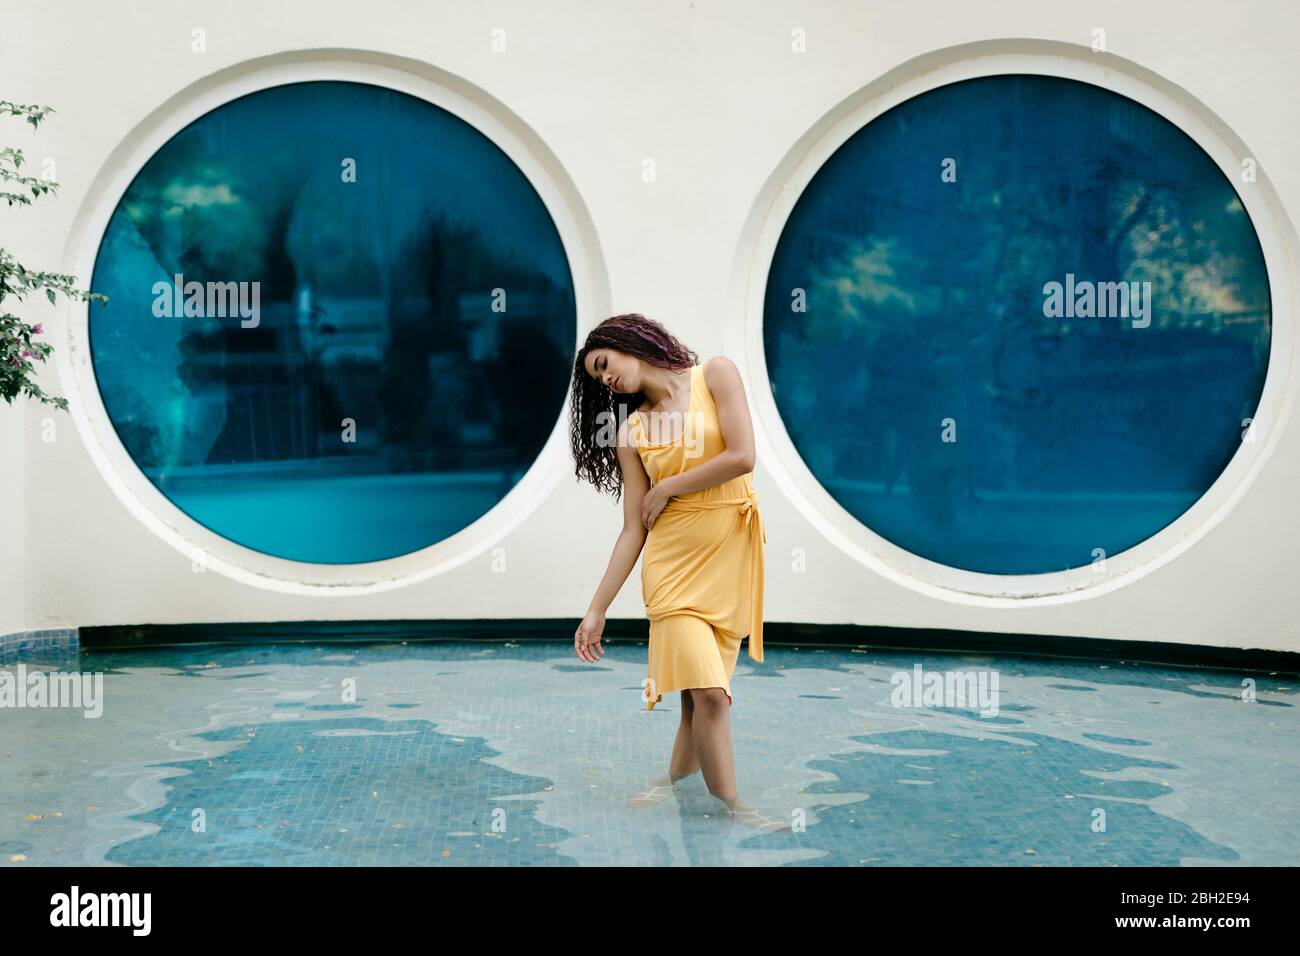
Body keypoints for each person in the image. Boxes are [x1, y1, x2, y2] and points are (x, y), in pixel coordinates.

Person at [569, 313, 786, 832]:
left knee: (696, 700)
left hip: (730, 561)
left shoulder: (717, 375)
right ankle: (735, 809)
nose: (606, 380)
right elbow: (632, 531)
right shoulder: (632, 430)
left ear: (626, 343)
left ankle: (672, 785)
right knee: (711, 694)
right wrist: (596, 608)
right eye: (598, 380)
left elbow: (743, 456)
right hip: (671, 571)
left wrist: (670, 486)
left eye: (604, 365)